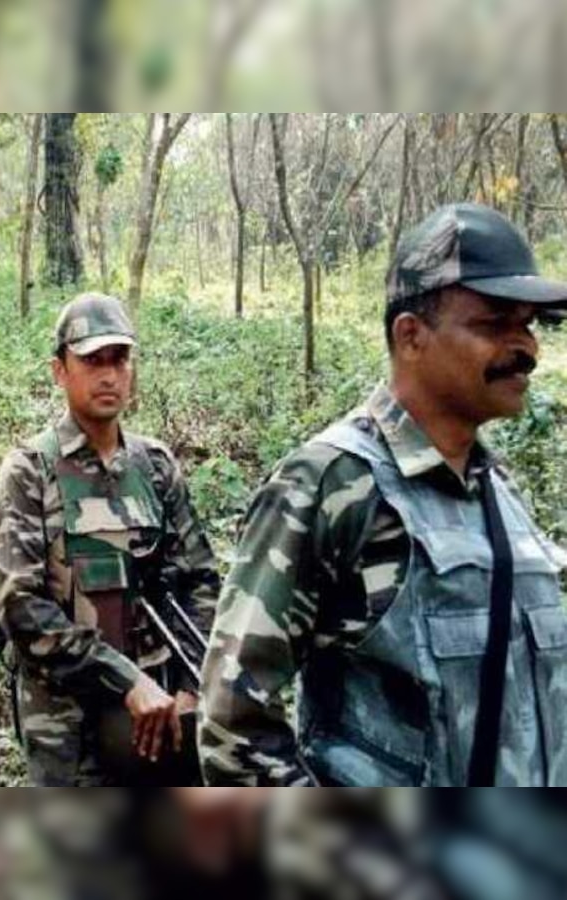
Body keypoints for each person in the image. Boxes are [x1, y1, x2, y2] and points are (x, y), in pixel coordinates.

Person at [200, 203, 567, 787]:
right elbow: (233, 728)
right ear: (411, 336)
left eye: (530, 324)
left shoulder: (501, 496)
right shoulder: (331, 485)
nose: (525, 346)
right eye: (495, 322)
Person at [0, 292, 220, 786]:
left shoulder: (155, 467)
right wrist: (124, 678)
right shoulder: (32, 470)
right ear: (60, 371)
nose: (109, 374)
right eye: (92, 360)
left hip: (158, 717)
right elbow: (20, 607)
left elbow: (200, 581)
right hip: (67, 723)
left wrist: (187, 684)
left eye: (119, 359)